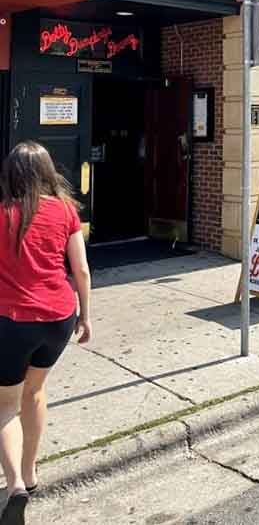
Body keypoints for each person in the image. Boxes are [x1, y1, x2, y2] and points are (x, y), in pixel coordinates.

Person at [0, 142, 92, 525]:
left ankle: (15, 485)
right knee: (35, 391)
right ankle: (32, 470)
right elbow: (82, 270)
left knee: (6, 403)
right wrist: (86, 316)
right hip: (58, 316)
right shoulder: (67, 211)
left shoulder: (3, 213)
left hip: (11, 319)